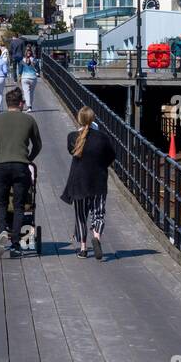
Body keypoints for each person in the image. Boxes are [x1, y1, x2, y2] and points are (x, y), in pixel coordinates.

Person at [0, 86, 42, 258]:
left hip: (1, 166)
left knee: (0, 202)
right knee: (18, 206)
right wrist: (28, 157)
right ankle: (16, 244)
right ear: (21, 103)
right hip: (21, 166)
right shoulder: (29, 120)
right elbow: (38, 145)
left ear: (7, 103)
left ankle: (2, 231)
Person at [61, 106, 116, 261]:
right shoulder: (103, 138)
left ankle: (83, 249)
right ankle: (96, 237)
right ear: (93, 119)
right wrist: (101, 165)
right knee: (98, 213)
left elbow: (71, 151)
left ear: (79, 119)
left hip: (79, 182)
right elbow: (112, 156)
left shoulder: (73, 137)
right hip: (98, 181)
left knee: (81, 216)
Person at [19, 47, 40, 111]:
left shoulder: (22, 61)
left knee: (26, 92)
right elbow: (38, 69)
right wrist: (38, 73)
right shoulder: (34, 60)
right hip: (33, 78)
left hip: (25, 78)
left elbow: (20, 71)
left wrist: (19, 76)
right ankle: (30, 105)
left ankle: (29, 106)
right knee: (31, 92)